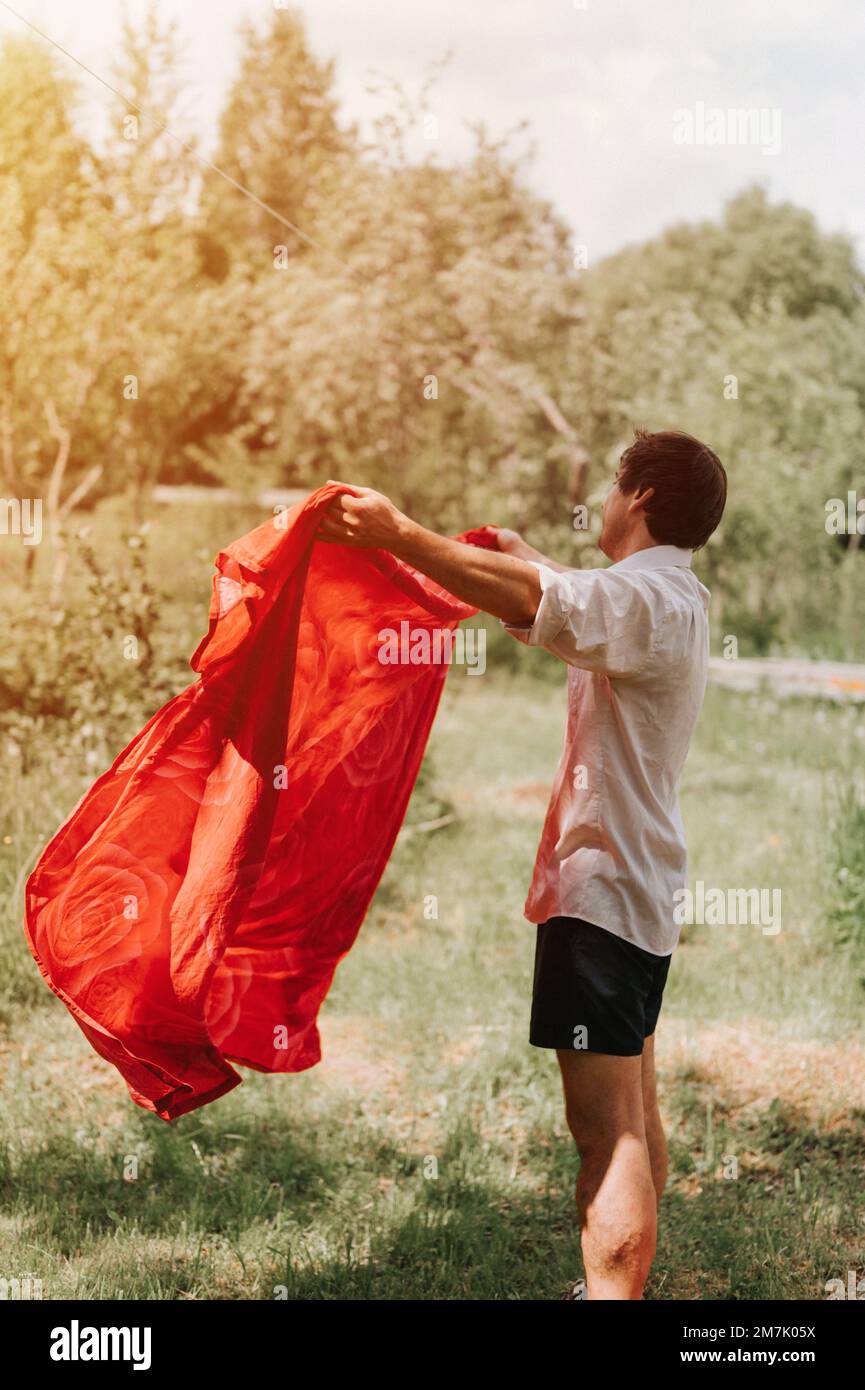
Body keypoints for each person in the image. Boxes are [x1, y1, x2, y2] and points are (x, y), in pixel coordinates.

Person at [316, 428, 727, 1300]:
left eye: (616, 488)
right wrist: (514, 554)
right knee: (635, 1113)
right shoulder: (665, 597)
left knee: (605, 1132)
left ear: (640, 499)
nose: (608, 503)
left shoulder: (644, 603)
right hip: (637, 895)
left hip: (602, 902)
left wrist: (398, 533)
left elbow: (567, 603)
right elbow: (569, 605)